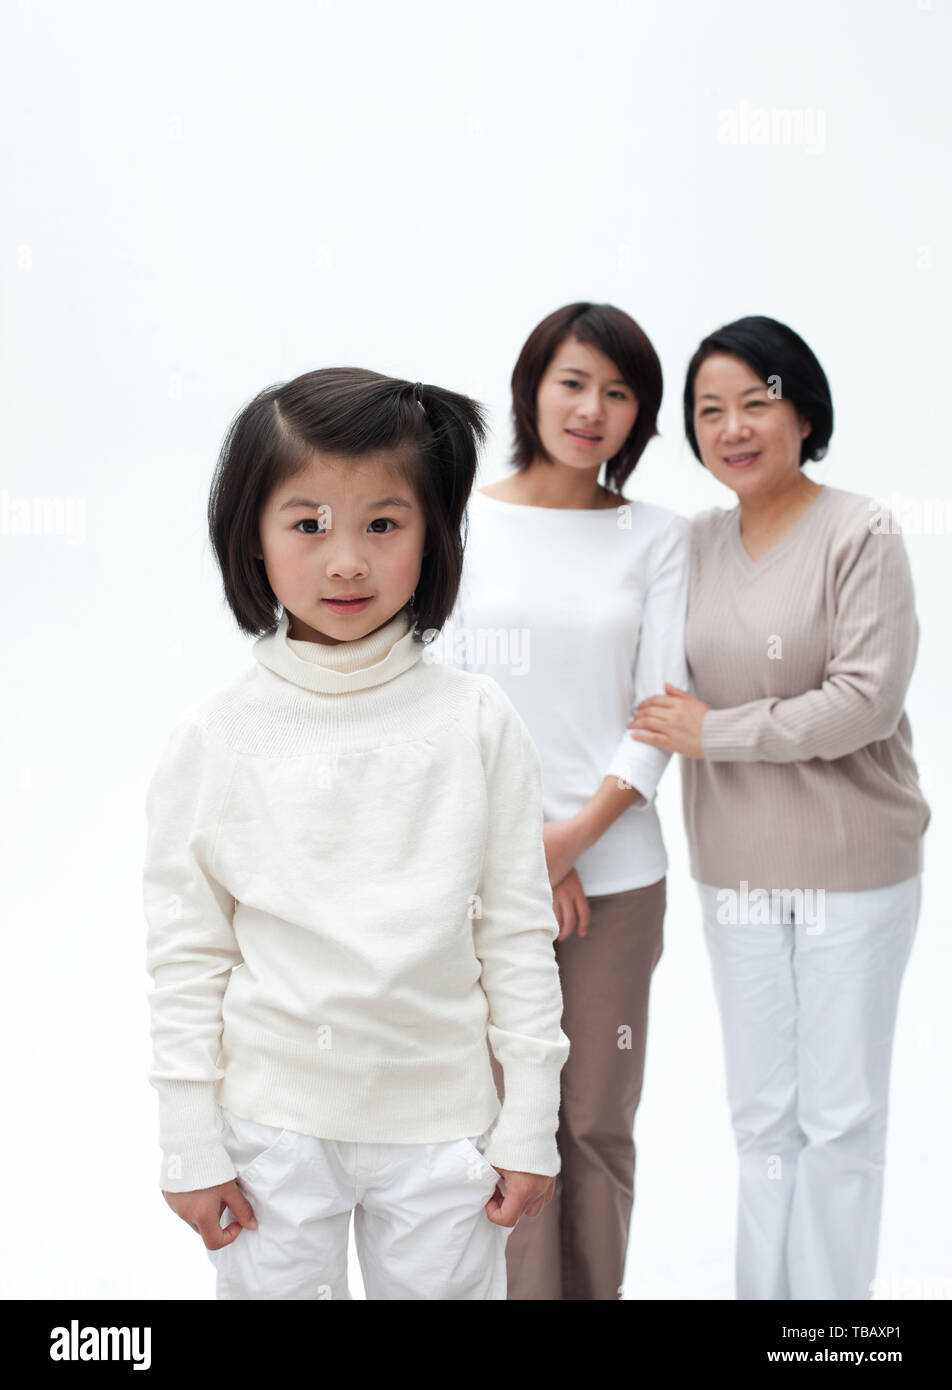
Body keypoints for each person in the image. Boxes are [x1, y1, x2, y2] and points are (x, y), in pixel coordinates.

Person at [142, 367, 570, 1301]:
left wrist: (530, 1120)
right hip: (269, 1126)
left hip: (441, 1123)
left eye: (383, 524)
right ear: (251, 539)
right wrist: (188, 1138)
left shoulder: (477, 721)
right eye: (308, 524)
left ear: (434, 537)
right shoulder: (216, 735)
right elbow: (188, 951)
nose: (346, 561)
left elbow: (516, 930)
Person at [627, 315, 931, 1300]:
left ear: (804, 410)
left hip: (854, 868)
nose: (733, 426)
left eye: (756, 401)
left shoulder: (861, 531)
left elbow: (862, 701)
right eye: (709, 410)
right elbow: (650, 692)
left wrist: (715, 731)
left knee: (839, 1118)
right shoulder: (692, 545)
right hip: (736, 871)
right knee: (762, 1118)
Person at [437, 302, 690, 1299]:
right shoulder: (461, 516)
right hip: (482, 875)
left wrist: (573, 841)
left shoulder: (655, 537)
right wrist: (526, 856)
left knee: (593, 1117)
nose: (592, 408)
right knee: (506, 1120)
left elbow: (660, 706)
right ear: (531, 388)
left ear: (640, 416)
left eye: (619, 392)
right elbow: (446, 698)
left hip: (620, 880)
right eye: (574, 381)